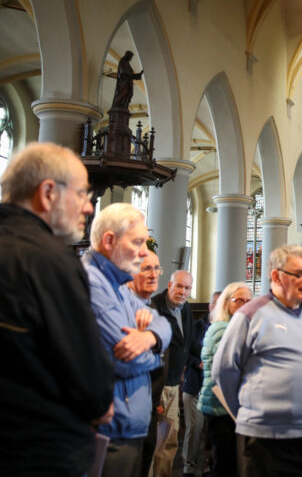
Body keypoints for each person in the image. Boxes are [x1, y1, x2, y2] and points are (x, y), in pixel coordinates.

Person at [0, 143, 114, 476]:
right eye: (82, 193)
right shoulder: (49, 260)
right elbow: (91, 384)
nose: (89, 207)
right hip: (36, 454)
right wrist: (100, 401)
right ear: (48, 193)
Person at [213, 245, 302, 477]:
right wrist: (250, 412)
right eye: (298, 274)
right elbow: (224, 370)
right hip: (268, 439)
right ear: (276, 277)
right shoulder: (251, 314)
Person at [83, 203, 171, 477]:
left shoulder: (118, 286)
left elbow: (162, 323)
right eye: (137, 242)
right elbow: (124, 361)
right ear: (109, 240)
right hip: (108, 431)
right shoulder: (92, 283)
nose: (144, 251)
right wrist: (157, 353)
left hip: (128, 426)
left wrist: (150, 336)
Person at [198, 282, 252, 477]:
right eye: (239, 300)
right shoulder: (223, 328)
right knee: (225, 465)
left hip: (225, 405)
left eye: (248, 301)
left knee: (228, 462)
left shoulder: (233, 326)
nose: (244, 305)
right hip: (221, 405)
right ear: (226, 302)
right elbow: (227, 370)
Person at [126, 250, 167, 477]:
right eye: (146, 269)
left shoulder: (152, 309)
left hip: (149, 410)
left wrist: (156, 399)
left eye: (156, 269)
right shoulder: (121, 308)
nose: (153, 275)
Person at [151, 269, 194, 477]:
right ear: (169, 285)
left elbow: (186, 344)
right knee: (156, 441)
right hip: (158, 384)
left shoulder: (186, 310)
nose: (182, 292)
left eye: (187, 288)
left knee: (170, 439)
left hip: (175, 383)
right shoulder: (155, 308)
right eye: (179, 286)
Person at [182, 291, 219, 477]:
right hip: (195, 384)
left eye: (220, 304)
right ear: (209, 306)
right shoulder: (196, 327)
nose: (217, 307)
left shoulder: (227, 328)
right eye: (214, 304)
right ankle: (188, 468)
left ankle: (206, 467)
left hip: (216, 390)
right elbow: (184, 354)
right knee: (194, 429)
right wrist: (198, 363)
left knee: (210, 432)